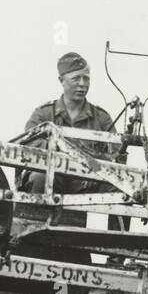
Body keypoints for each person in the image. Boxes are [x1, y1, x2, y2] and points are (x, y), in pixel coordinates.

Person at [21, 51, 125, 229]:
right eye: (76, 79)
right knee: (40, 177)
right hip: (52, 175)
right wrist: (63, 150)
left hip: (86, 181)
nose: (82, 84)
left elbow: (117, 156)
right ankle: (33, 234)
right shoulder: (44, 114)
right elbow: (28, 145)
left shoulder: (101, 118)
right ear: (61, 80)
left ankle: (118, 250)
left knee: (122, 188)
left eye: (86, 79)